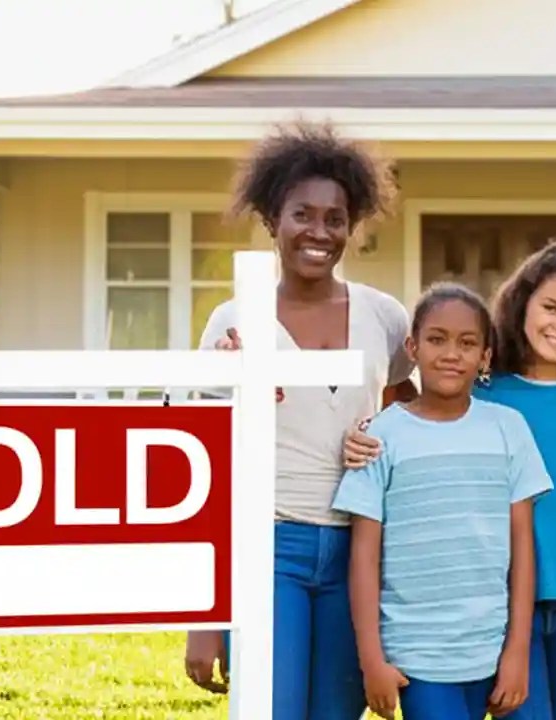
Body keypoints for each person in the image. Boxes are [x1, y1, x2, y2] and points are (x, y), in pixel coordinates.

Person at [183, 121, 418, 720]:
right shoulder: (234, 322)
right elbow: (206, 471)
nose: (319, 231)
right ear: (271, 219)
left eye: (334, 218)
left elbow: (414, 415)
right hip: (269, 546)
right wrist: (204, 619)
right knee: (274, 709)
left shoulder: (384, 317)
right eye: (302, 214)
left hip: (357, 551)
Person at [343, 240, 556, 720]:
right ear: (523, 304)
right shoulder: (490, 395)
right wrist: (361, 430)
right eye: (550, 307)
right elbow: (425, 411)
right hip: (502, 606)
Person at [331, 283, 554, 720]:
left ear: (485, 357)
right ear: (412, 348)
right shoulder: (380, 436)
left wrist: (517, 652)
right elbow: (363, 556)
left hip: (493, 647)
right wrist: (372, 660)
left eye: (467, 343)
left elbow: (523, 548)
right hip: (418, 657)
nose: (451, 353)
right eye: (437, 339)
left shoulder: (509, 428)